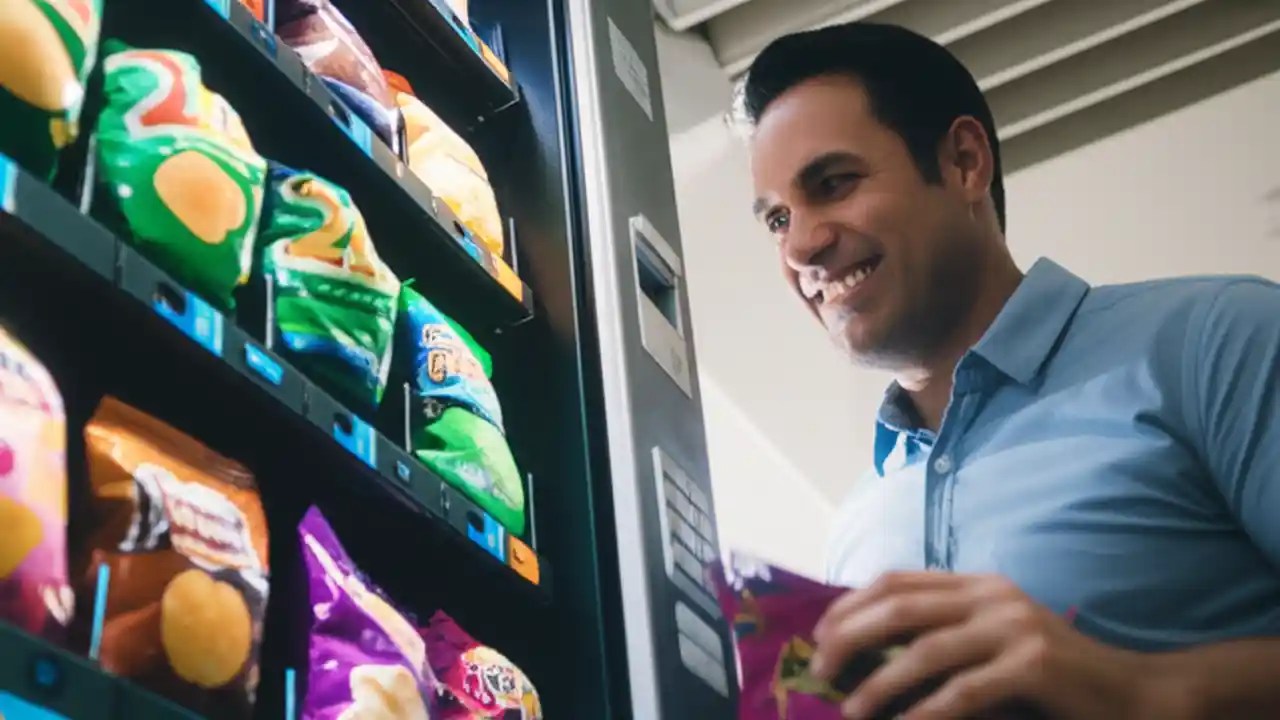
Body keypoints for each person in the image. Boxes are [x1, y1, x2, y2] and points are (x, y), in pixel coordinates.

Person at [742, 21, 1280, 720]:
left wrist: (1136, 689)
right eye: (778, 218)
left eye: (835, 183)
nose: (803, 246)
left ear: (965, 162)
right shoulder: (856, 531)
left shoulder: (1218, 341)